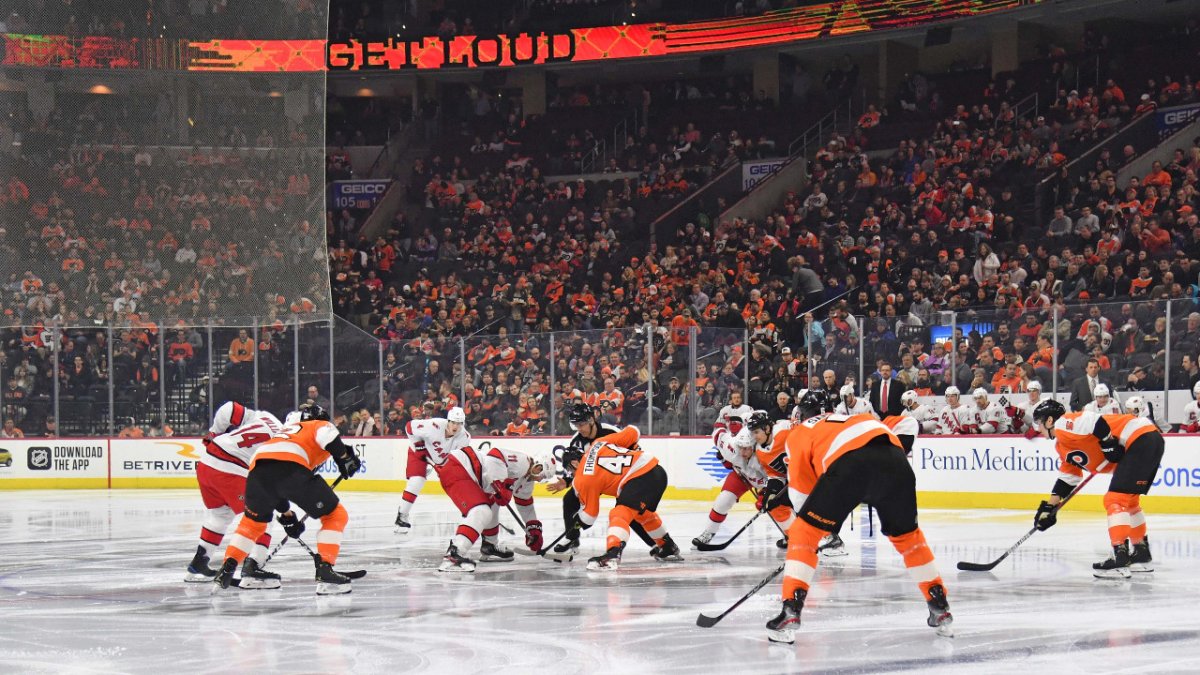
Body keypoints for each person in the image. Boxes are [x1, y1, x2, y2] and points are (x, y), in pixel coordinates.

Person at [763, 389, 952, 643]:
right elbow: (909, 423)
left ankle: (790, 610)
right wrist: (889, 455)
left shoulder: (799, 432)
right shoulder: (855, 417)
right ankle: (938, 604)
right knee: (908, 538)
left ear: (801, 415)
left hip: (849, 466)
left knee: (803, 533)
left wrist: (807, 539)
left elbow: (800, 495)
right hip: (895, 462)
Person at [212, 404, 362, 594]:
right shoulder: (317, 425)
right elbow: (328, 437)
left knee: (252, 524)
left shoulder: (285, 432)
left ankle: (226, 570)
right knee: (335, 515)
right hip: (290, 467)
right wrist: (345, 458)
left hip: (257, 471)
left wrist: (287, 517)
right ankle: (325, 569)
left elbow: (275, 484)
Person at [1031, 400, 1164, 578]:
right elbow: (1068, 478)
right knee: (1129, 501)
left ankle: (1120, 558)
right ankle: (1140, 554)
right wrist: (1049, 508)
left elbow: (1094, 421)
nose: (1038, 429)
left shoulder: (1063, 424)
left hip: (1139, 438)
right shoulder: (1062, 446)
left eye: (1039, 422)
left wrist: (1108, 443)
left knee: (1114, 500)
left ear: (1049, 421)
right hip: (1149, 438)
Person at [185, 405, 283, 587]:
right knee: (262, 516)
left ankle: (198, 565)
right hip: (231, 469)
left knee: (220, 515)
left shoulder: (265, 416)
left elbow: (229, 409)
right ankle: (252, 569)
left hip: (207, 462)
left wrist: (214, 433)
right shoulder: (288, 441)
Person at [563, 425, 682, 571]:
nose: (571, 474)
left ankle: (612, 553)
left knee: (619, 513)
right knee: (641, 514)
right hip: (657, 471)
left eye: (569, 470)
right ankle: (667, 546)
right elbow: (633, 431)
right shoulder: (598, 443)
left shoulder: (582, 477)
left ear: (574, 463)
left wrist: (576, 525)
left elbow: (589, 515)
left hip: (639, 477)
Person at [394, 406, 471, 534]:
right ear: (448, 421)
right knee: (417, 481)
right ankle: (402, 515)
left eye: (459, 423)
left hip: (439, 460)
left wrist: (446, 468)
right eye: (453, 422)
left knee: (456, 484)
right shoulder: (434, 425)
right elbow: (409, 427)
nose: (456, 426)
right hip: (418, 453)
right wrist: (419, 446)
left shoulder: (464, 437)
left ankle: (469, 510)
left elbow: (457, 458)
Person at [692, 424, 769, 547]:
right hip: (741, 476)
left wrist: (766, 493)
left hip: (765, 483)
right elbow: (718, 433)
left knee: (778, 509)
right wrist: (721, 425)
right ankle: (708, 532)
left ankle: (791, 536)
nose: (742, 452)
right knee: (723, 501)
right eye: (740, 447)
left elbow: (778, 479)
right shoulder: (731, 446)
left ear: (754, 446)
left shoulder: (764, 457)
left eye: (746, 448)